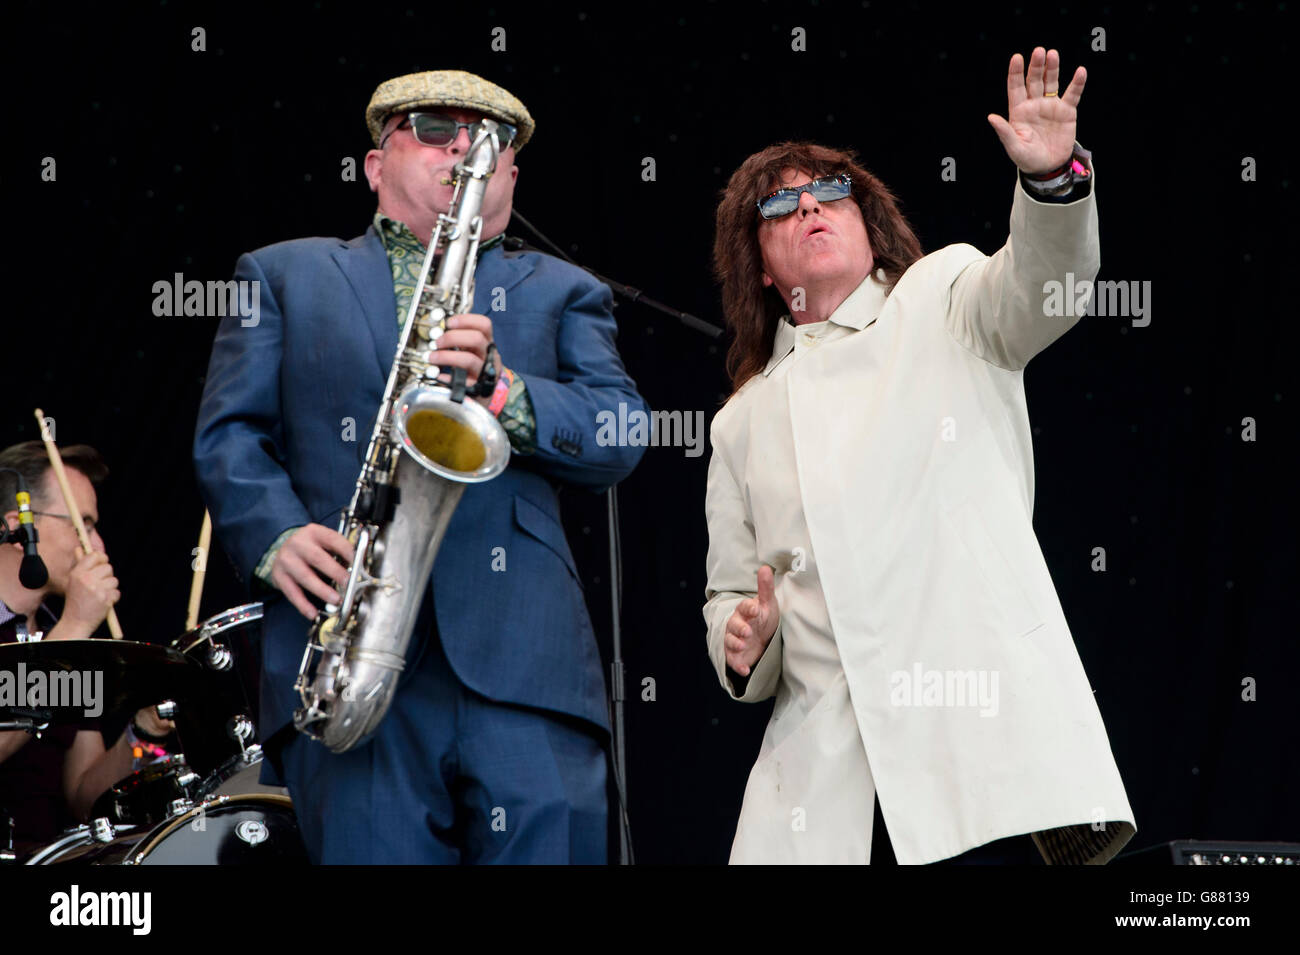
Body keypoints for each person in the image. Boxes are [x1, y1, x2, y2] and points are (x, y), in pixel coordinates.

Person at [194, 70, 647, 864]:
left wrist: (505, 391)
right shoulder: (281, 273)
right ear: (375, 164)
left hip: (524, 665)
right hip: (349, 651)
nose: (463, 147)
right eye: (436, 128)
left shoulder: (567, 289)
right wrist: (276, 537)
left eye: (488, 142)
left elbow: (621, 431)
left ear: (510, 177)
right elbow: (229, 435)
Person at [704, 47, 1136, 864]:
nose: (810, 208)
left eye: (830, 192)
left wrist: (1050, 184)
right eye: (781, 204)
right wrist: (739, 633)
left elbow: (1049, 290)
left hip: (984, 760)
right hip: (824, 794)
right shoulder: (740, 421)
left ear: (868, 224)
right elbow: (730, 593)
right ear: (760, 265)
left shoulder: (945, 296)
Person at [0, 440, 174, 850]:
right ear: (21, 528)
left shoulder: (67, 637)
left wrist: (141, 732)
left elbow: (84, 798)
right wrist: (77, 623)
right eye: (83, 526)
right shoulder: (71, 632)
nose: (97, 548)